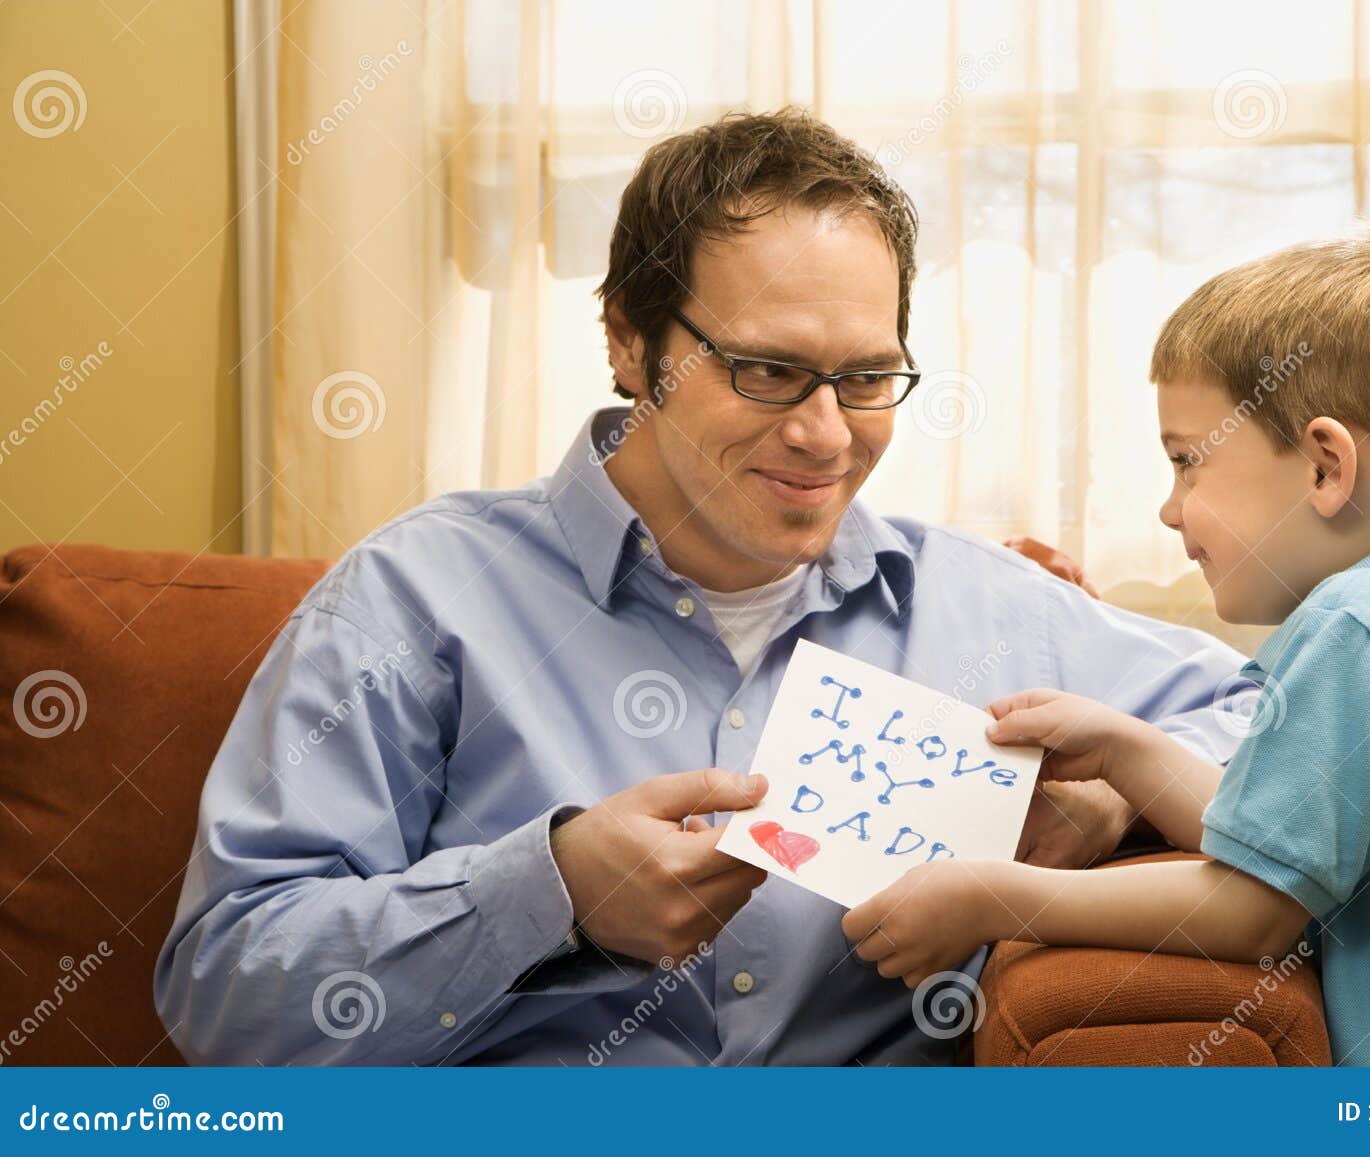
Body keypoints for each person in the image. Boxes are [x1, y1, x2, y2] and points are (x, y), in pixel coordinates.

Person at [154, 109, 1254, 1066]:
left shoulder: (985, 605)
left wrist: (1117, 794)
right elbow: (225, 993)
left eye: (867, 377)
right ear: (630, 343)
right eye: (767, 369)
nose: (825, 433)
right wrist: (549, 894)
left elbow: (1280, 714)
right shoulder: (418, 596)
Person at [844, 226, 1370, 1065]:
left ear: (1324, 467)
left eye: (1187, 464)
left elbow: (1255, 910)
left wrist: (995, 895)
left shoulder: (1362, 628)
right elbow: (1285, 840)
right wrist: (1130, 750)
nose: (1170, 510)